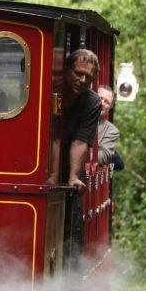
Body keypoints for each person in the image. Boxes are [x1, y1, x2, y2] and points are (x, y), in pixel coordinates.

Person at [55, 48, 102, 193]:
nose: (82, 80)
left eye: (88, 77)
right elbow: (53, 136)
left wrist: (73, 176)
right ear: (67, 70)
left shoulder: (92, 102)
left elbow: (80, 141)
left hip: (68, 163)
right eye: (78, 73)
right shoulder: (51, 89)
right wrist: (52, 175)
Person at [97, 85, 124, 170]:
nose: (102, 103)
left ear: (109, 108)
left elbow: (103, 157)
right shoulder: (77, 115)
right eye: (100, 98)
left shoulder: (111, 130)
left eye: (107, 102)